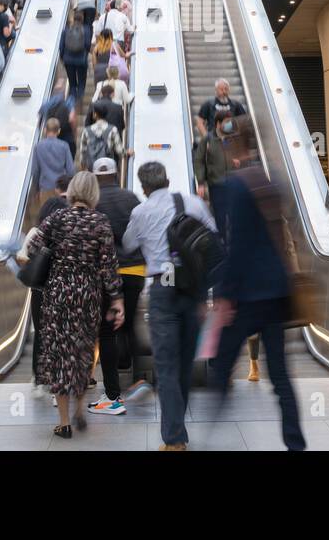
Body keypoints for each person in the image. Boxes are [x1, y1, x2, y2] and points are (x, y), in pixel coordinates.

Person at [207, 117, 305, 451]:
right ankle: (295, 443)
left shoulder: (236, 185)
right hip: (277, 291)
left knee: (221, 362)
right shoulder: (270, 180)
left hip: (249, 294)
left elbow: (238, 244)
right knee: (279, 374)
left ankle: (211, 432)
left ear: (234, 144)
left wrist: (223, 293)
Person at [122, 161, 215, 450]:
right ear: (168, 179)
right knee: (185, 363)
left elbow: (126, 245)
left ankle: (174, 438)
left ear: (144, 187)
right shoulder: (193, 202)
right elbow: (212, 236)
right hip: (194, 290)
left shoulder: (140, 211)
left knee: (166, 365)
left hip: (163, 289)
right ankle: (177, 428)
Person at [26, 172, 124, 438]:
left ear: (70, 191)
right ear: (93, 193)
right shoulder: (100, 222)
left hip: (57, 294)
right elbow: (108, 267)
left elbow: (33, 246)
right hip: (88, 295)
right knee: (82, 351)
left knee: (59, 354)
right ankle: (81, 407)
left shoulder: (56, 219)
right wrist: (116, 299)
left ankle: (63, 422)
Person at [89, 157, 148, 415]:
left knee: (107, 331)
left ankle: (114, 390)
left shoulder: (93, 202)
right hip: (135, 270)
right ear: (116, 174)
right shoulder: (132, 198)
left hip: (107, 274)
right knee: (129, 324)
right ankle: (137, 378)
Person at [26, 173, 70, 395]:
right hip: (61, 288)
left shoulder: (36, 231)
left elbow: (24, 255)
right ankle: (59, 380)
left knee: (41, 332)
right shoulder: (67, 232)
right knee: (61, 332)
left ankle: (38, 378)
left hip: (39, 290)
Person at [194, 111, 234, 240]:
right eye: (227, 122)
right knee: (219, 216)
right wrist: (200, 183)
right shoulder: (208, 139)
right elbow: (198, 160)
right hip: (216, 184)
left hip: (233, 183)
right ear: (218, 123)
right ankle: (221, 243)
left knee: (234, 215)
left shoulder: (232, 138)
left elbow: (240, 155)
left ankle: (233, 243)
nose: (229, 125)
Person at [33, 117, 75, 197]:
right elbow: (71, 169)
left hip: (45, 187)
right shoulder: (64, 146)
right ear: (59, 131)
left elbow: (35, 171)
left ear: (45, 130)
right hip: (62, 189)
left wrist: (36, 189)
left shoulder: (38, 147)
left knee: (47, 209)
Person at [79, 104, 122, 173]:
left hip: (92, 168)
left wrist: (82, 165)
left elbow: (83, 151)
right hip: (108, 168)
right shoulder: (112, 129)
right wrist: (127, 152)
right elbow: (119, 150)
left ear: (95, 114)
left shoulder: (86, 131)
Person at [41, 77, 77, 157]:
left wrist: (45, 133)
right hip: (67, 136)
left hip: (51, 136)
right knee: (69, 156)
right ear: (64, 91)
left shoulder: (46, 104)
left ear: (53, 92)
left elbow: (39, 119)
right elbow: (72, 119)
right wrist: (74, 134)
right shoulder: (69, 101)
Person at [60, 10, 89, 104]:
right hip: (81, 60)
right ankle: (79, 101)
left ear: (73, 19)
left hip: (68, 60)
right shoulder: (86, 29)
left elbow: (61, 47)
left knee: (72, 84)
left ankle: (71, 103)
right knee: (81, 82)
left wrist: (63, 58)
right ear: (82, 19)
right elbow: (88, 44)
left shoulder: (66, 30)